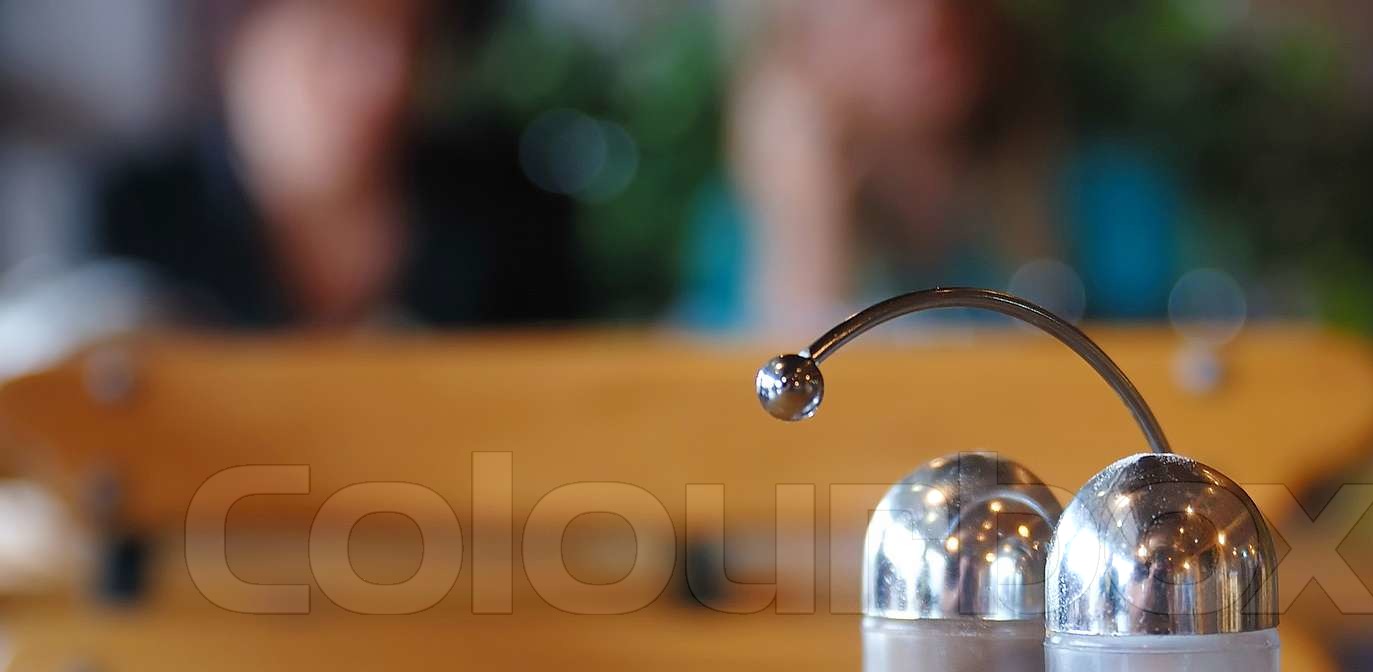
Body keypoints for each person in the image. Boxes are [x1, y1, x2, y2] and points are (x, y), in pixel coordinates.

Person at [678, 0, 1184, 331]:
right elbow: (763, 429)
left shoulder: (1109, 196)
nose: (929, 13)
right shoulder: (749, 226)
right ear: (796, 41)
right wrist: (806, 231)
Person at [88, 0, 584, 328]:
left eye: (409, 42)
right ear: (238, 41)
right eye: (336, 39)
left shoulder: (505, 206)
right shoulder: (134, 210)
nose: (382, 82)